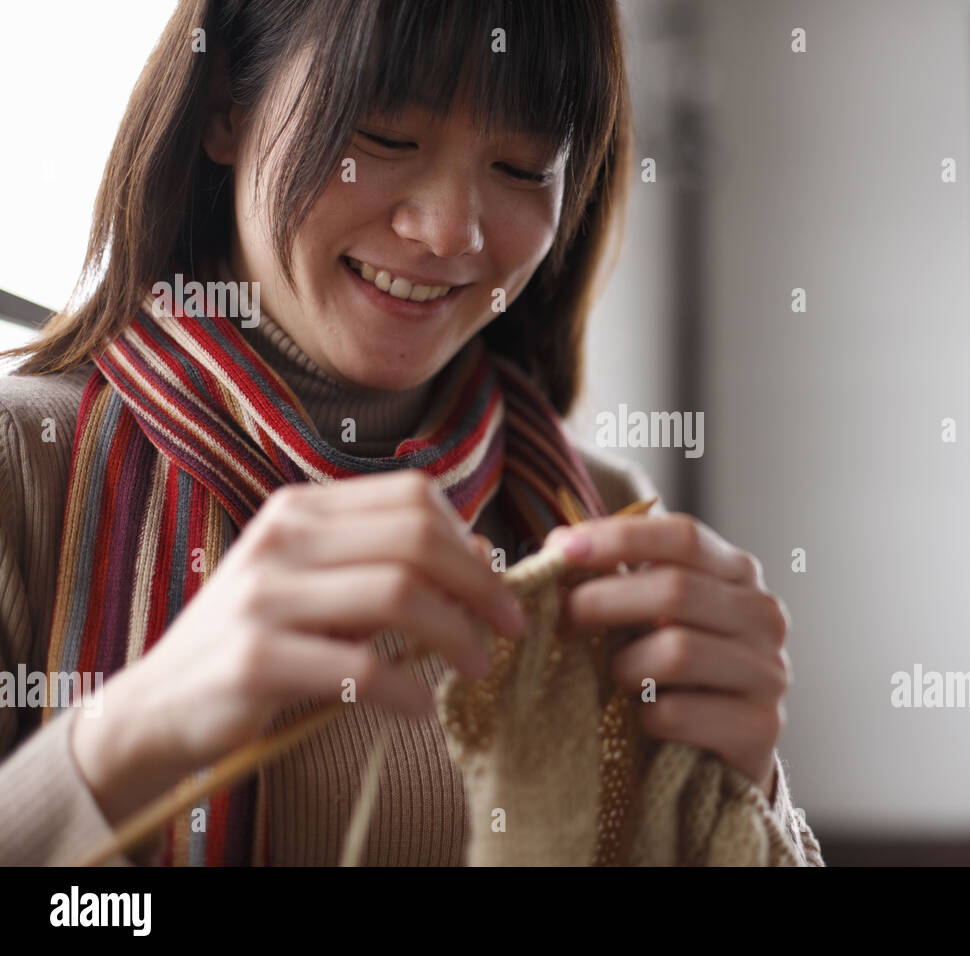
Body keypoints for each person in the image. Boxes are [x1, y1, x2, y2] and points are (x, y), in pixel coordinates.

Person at [0, 0, 822, 866]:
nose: (450, 231)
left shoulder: (605, 527)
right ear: (222, 108)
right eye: (386, 138)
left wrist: (746, 791)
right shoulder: (27, 471)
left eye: (521, 166)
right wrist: (128, 734)